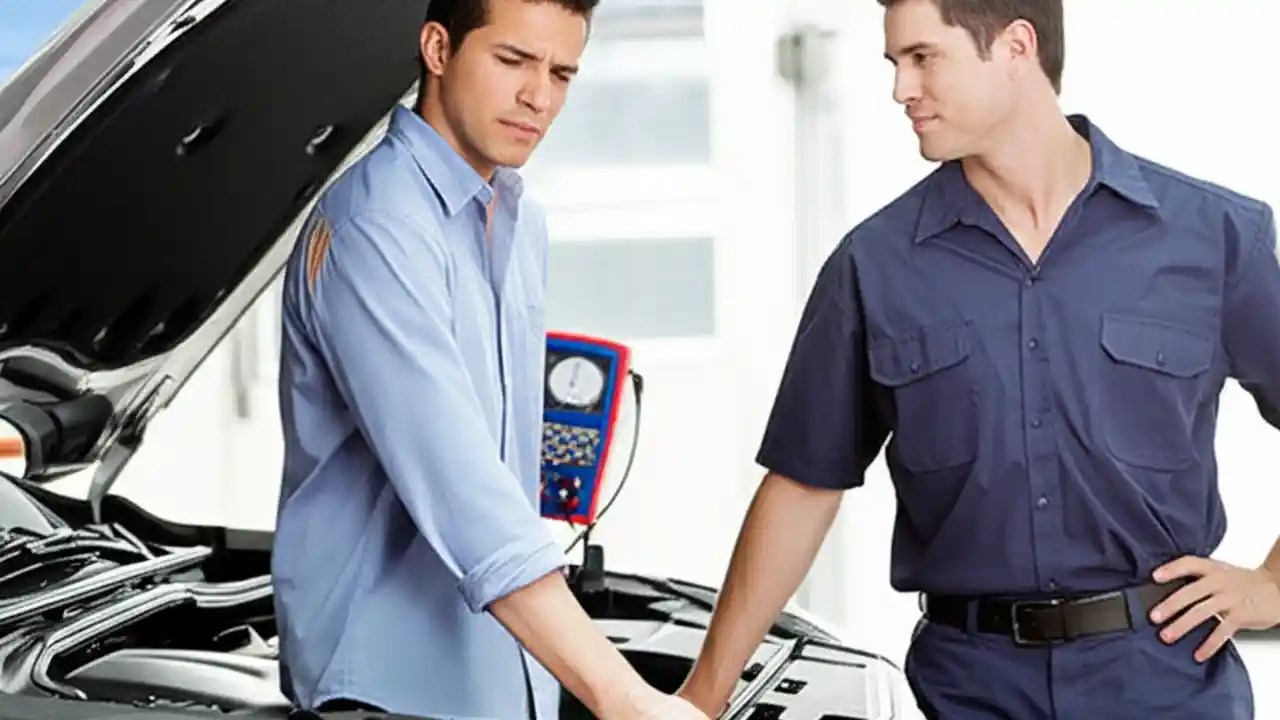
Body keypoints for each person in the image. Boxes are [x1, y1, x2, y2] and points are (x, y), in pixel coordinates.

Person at [676, 0, 1280, 718]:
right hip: (970, 689)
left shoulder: (1212, 237)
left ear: (1017, 47)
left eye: (923, 57)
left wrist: (1271, 585)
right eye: (895, 63)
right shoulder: (874, 266)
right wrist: (699, 700)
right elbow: (803, 487)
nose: (901, 88)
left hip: (1167, 683)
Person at [272, 1, 708, 718]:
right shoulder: (377, 228)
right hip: (387, 690)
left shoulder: (516, 220)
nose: (540, 96)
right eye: (513, 61)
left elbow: (502, 459)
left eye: (562, 72)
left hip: (501, 675)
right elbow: (462, 488)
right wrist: (620, 694)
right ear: (438, 49)